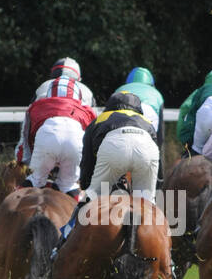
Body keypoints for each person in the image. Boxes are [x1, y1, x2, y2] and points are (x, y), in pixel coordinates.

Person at [54, 91, 160, 247]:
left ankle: (61, 244)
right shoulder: (147, 122)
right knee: (149, 205)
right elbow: (158, 163)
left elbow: (88, 163)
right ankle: (168, 258)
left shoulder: (99, 120)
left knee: (89, 200)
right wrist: (157, 186)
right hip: (146, 148)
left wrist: (87, 187)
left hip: (113, 149)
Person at [19, 73, 96, 196]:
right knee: (68, 185)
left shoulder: (35, 107)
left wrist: (26, 161)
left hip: (47, 138)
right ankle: (78, 214)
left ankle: (14, 210)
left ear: (50, 93)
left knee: (36, 180)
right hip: (76, 141)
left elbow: (27, 139)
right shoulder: (87, 110)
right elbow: (91, 141)